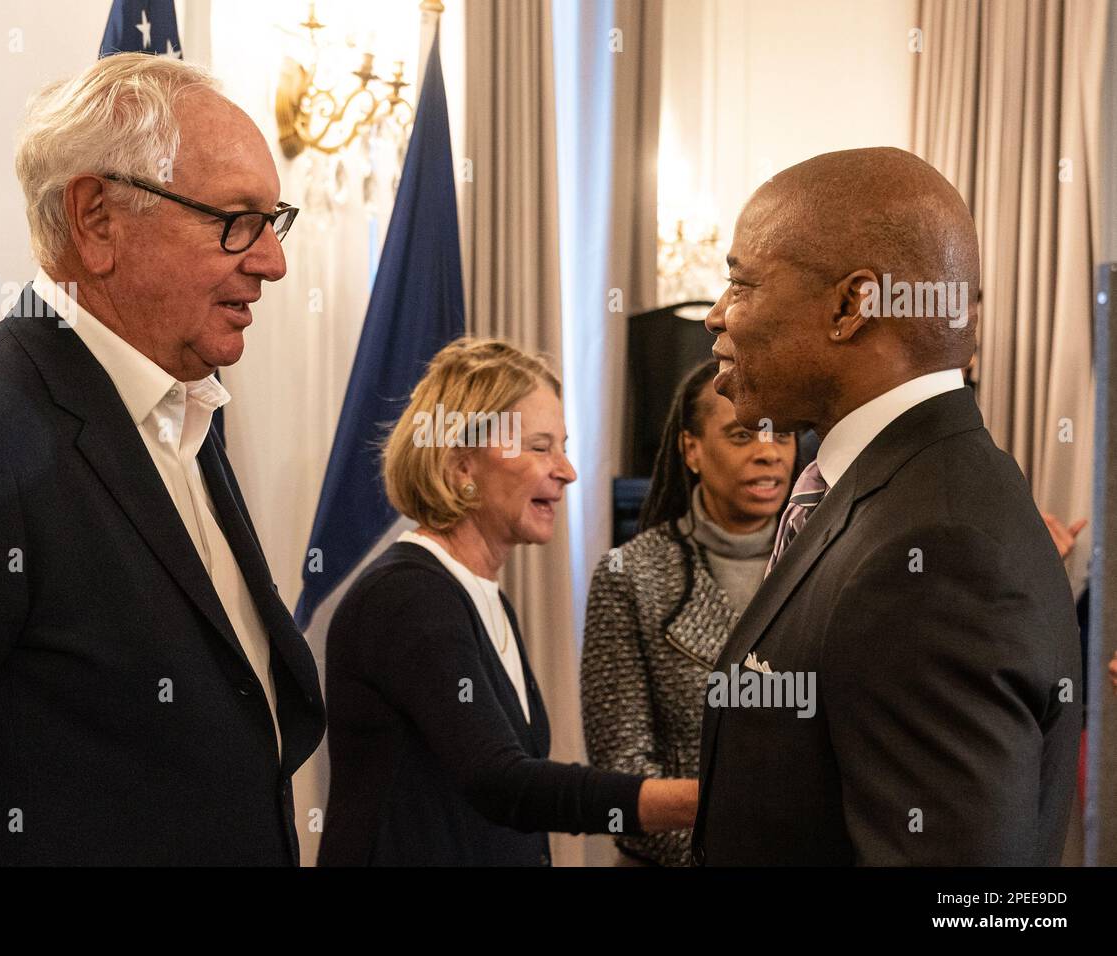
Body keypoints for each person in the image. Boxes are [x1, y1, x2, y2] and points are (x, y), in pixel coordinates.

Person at [0, 54, 324, 864]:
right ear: (96, 221)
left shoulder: (179, 404)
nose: (272, 261)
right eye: (236, 220)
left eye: (275, 219)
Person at [692, 146, 1082, 866]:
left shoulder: (939, 551)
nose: (717, 317)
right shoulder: (897, 489)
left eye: (740, 285)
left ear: (852, 305)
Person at [318, 338, 697, 866]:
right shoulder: (405, 595)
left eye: (563, 446)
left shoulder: (479, 594)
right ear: (460, 464)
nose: (567, 471)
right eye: (541, 447)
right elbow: (504, 783)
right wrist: (704, 802)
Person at [581, 359, 795, 865]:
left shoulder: (830, 560)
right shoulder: (628, 575)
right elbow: (625, 773)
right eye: (742, 437)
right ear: (691, 449)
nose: (768, 454)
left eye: (781, 436)